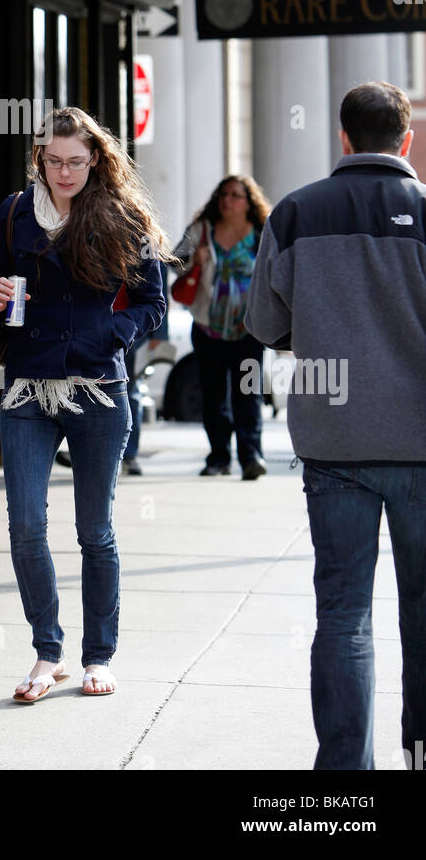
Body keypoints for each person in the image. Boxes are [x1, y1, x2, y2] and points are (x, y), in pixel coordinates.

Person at [245, 81, 426, 771]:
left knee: (344, 614)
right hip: (422, 448)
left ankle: (345, 777)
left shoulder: (293, 214)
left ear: (343, 138)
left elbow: (264, 324)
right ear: (404, 141)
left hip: (336, 446)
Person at [0, 106, 167, 702]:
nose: (64, 173)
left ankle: (99, 655)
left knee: (95, 531)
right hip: (26, 387)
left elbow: (150, 303)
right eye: (54, 161)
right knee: (26, 525)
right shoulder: (14, 213)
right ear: (41, 159)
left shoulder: (122, 216)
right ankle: (46, 651)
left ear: (96, 160)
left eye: (76, 162)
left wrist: (106, 337)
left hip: (97, 390)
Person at [174, 175, 271, 479]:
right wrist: (193, 257)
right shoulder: (202, 230)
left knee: (248, 394)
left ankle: (251, 456)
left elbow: (278, 271)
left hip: (248, 331)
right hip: (208, 329)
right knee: (214, 396)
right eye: (224, 194)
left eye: (235, 195)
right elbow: (171, 260)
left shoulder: (261, 234)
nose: (228, 200)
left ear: (249, 202)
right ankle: (219, 458)